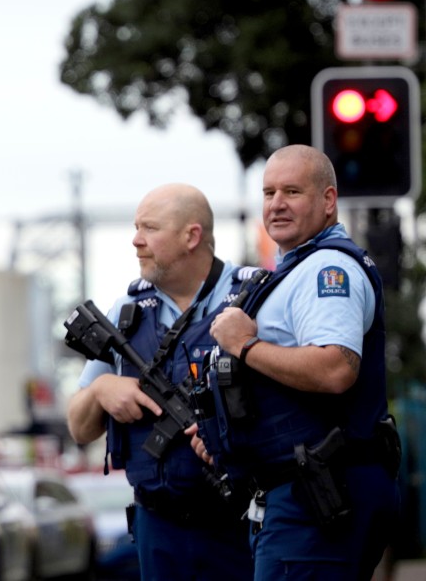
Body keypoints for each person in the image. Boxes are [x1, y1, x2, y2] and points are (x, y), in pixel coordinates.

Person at [206, 144, 399, 580]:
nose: (276, 204)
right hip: (304, 491)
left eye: (292, 191)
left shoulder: (327, 269)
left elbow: (335, 369)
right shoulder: (296, 269)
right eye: (269, 192)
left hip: (318, 494)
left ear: (328, 200)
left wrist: (245, 346)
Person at [66, 183, 253, 580]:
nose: (136, 241)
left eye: (150, 228)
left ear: (191, 236)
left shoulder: (254, 298)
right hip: (158, 525)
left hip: (238, 522)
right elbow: (79, 428)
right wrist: (101, 390)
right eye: (136, 227)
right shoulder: (127, 312)